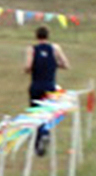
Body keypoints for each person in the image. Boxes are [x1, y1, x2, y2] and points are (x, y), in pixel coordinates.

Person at [24, 25, 70, 155]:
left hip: (36, 85)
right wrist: (53, 65)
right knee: (48, 113)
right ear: (48, 36)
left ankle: (38, 140)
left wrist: (32, 68)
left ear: (36, 36)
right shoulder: (55, 48)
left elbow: (27, 66)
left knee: (35, 113)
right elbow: (66, 64)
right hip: (50, 85)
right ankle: (44, 133)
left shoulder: (31, 49)